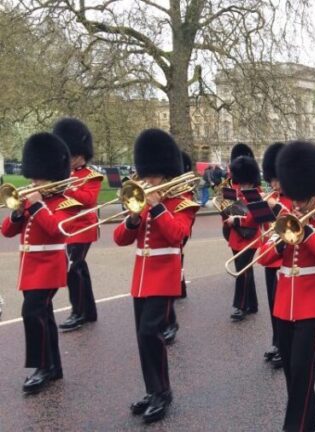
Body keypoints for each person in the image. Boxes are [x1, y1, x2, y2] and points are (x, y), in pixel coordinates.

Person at [256, 141, 315, 432]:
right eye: (295, 197)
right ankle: (309, 422)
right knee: (293, 372)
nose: (298, 203)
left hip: (312, 304)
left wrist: (306, 232)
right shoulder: (284, 217)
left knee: (303, 370)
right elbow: (263, 257)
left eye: (303, 198)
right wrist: (280, 243)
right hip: (284, 303)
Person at [113, 129, 197, 423]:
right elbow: (120, 239)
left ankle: (163, 392)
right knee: (142, 336)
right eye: (145, 175)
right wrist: (134, 217)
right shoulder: (141, 199)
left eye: (152, 176)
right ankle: (152, 390)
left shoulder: (183, 200)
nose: (147, 180)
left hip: (164, 275)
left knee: (151, 332)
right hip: (141, 277)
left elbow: (178, 235)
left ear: (165, 173)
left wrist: (158, 206)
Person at [2, 133, 82, 393]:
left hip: (49, 266)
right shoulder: (31, 201)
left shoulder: (66, 203)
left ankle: (41, 367)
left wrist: (37, 206)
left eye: (39, 177)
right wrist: (17, 213)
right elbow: (7, 231)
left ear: (53, 175)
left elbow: (56, 230)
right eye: (33, 177)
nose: (33, 182)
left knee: (32, 313)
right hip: (30, 267)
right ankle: (54, 367)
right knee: (44, 316)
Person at [53, 118, 103, 332]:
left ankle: (78, 312)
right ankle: (89, 311)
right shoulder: (62, 175)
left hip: (83, 228)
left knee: (72, 268)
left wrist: (69, 187)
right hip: (66, 227)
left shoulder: (92, 176)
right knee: (79, 268)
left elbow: (88, 199)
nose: (70, 159)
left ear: (82, 155)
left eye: (73, 156)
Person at [259, 142, 291, 368]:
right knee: (272, 305)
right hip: (270, 258)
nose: (274, 184)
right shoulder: (271, 196)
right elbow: (256, 221)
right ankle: (277, 341)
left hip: (284, 260)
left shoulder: (292, 200)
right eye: (271, 180)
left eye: (277, 180)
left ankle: (284, 344)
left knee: (283, 306)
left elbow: (293, 221)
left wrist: (277, 208)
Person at [163, 151, 199, 344]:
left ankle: (171, 321)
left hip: (176, 227)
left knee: (176, 261)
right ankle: (181, 287)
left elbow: (184, 208)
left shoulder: (182, 188)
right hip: (163, 228)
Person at [223, 155, 262, 321]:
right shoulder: (237, 192)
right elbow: (227, 209)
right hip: (236, 236)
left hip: (250, 238)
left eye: (246, 183)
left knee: (242, 271)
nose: (243, 186)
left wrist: (237, 219)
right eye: (242, 182)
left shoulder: (257, 194)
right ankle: (252, 304)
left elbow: (255, 218)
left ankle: (240, 306)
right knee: (246, 270)